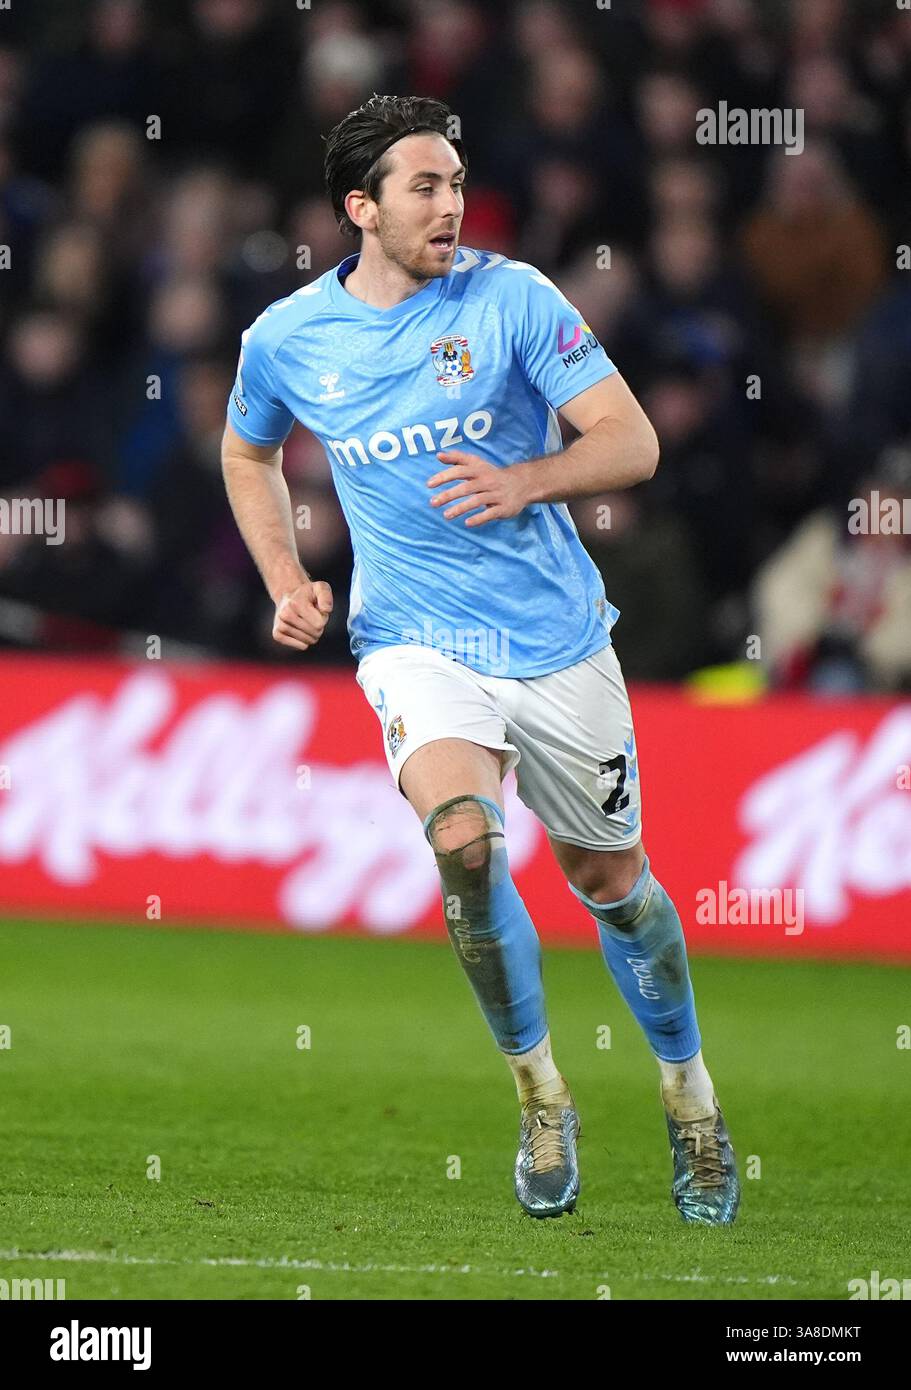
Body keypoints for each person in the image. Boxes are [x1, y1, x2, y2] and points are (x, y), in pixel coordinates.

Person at [220, 94, 739, 1224]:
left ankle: (687, 1096)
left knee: (612, 886)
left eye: (454, 182)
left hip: (553, 640)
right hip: (411, 640)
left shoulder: (512, 299)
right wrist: (285, 580)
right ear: (360, 207)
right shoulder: (289, 338)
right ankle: (540, 1095)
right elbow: (246, 449)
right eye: (422, 186)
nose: (448, 203)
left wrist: (524, 480)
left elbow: (632, 440)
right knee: (462, 845)